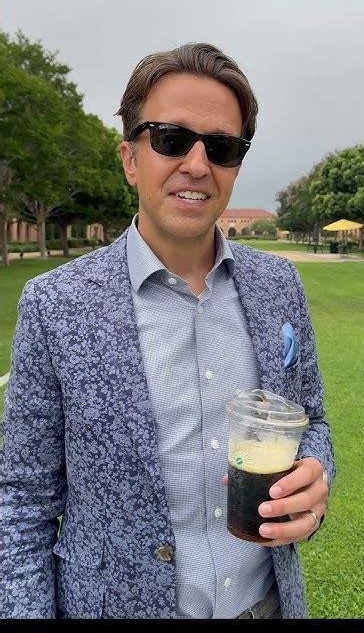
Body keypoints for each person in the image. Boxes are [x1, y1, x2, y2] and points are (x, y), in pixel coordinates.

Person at [1, 42, 335, 619]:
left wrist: (315, 474)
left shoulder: (279, 286)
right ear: (130, 158)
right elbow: (21, 504)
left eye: (222, 148)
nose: (197, 165)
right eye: (171, 139)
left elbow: (312, 421)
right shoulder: (55, 305)